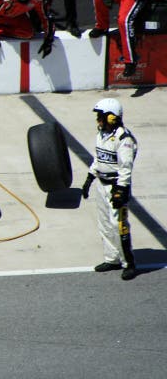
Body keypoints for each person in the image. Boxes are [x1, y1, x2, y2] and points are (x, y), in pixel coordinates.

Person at [81, 98, 138, 281]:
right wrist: (89, 178)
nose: (98, 120)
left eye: (101, 117)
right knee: (105, 224)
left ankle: (128, 263)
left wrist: (121, 191)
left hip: (115, 187)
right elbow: (98, 159)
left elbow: (125, 168)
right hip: (101, 184)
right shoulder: (101, 135)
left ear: (112, 118)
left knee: (118, 226)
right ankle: (111, 258)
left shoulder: (124, 139)